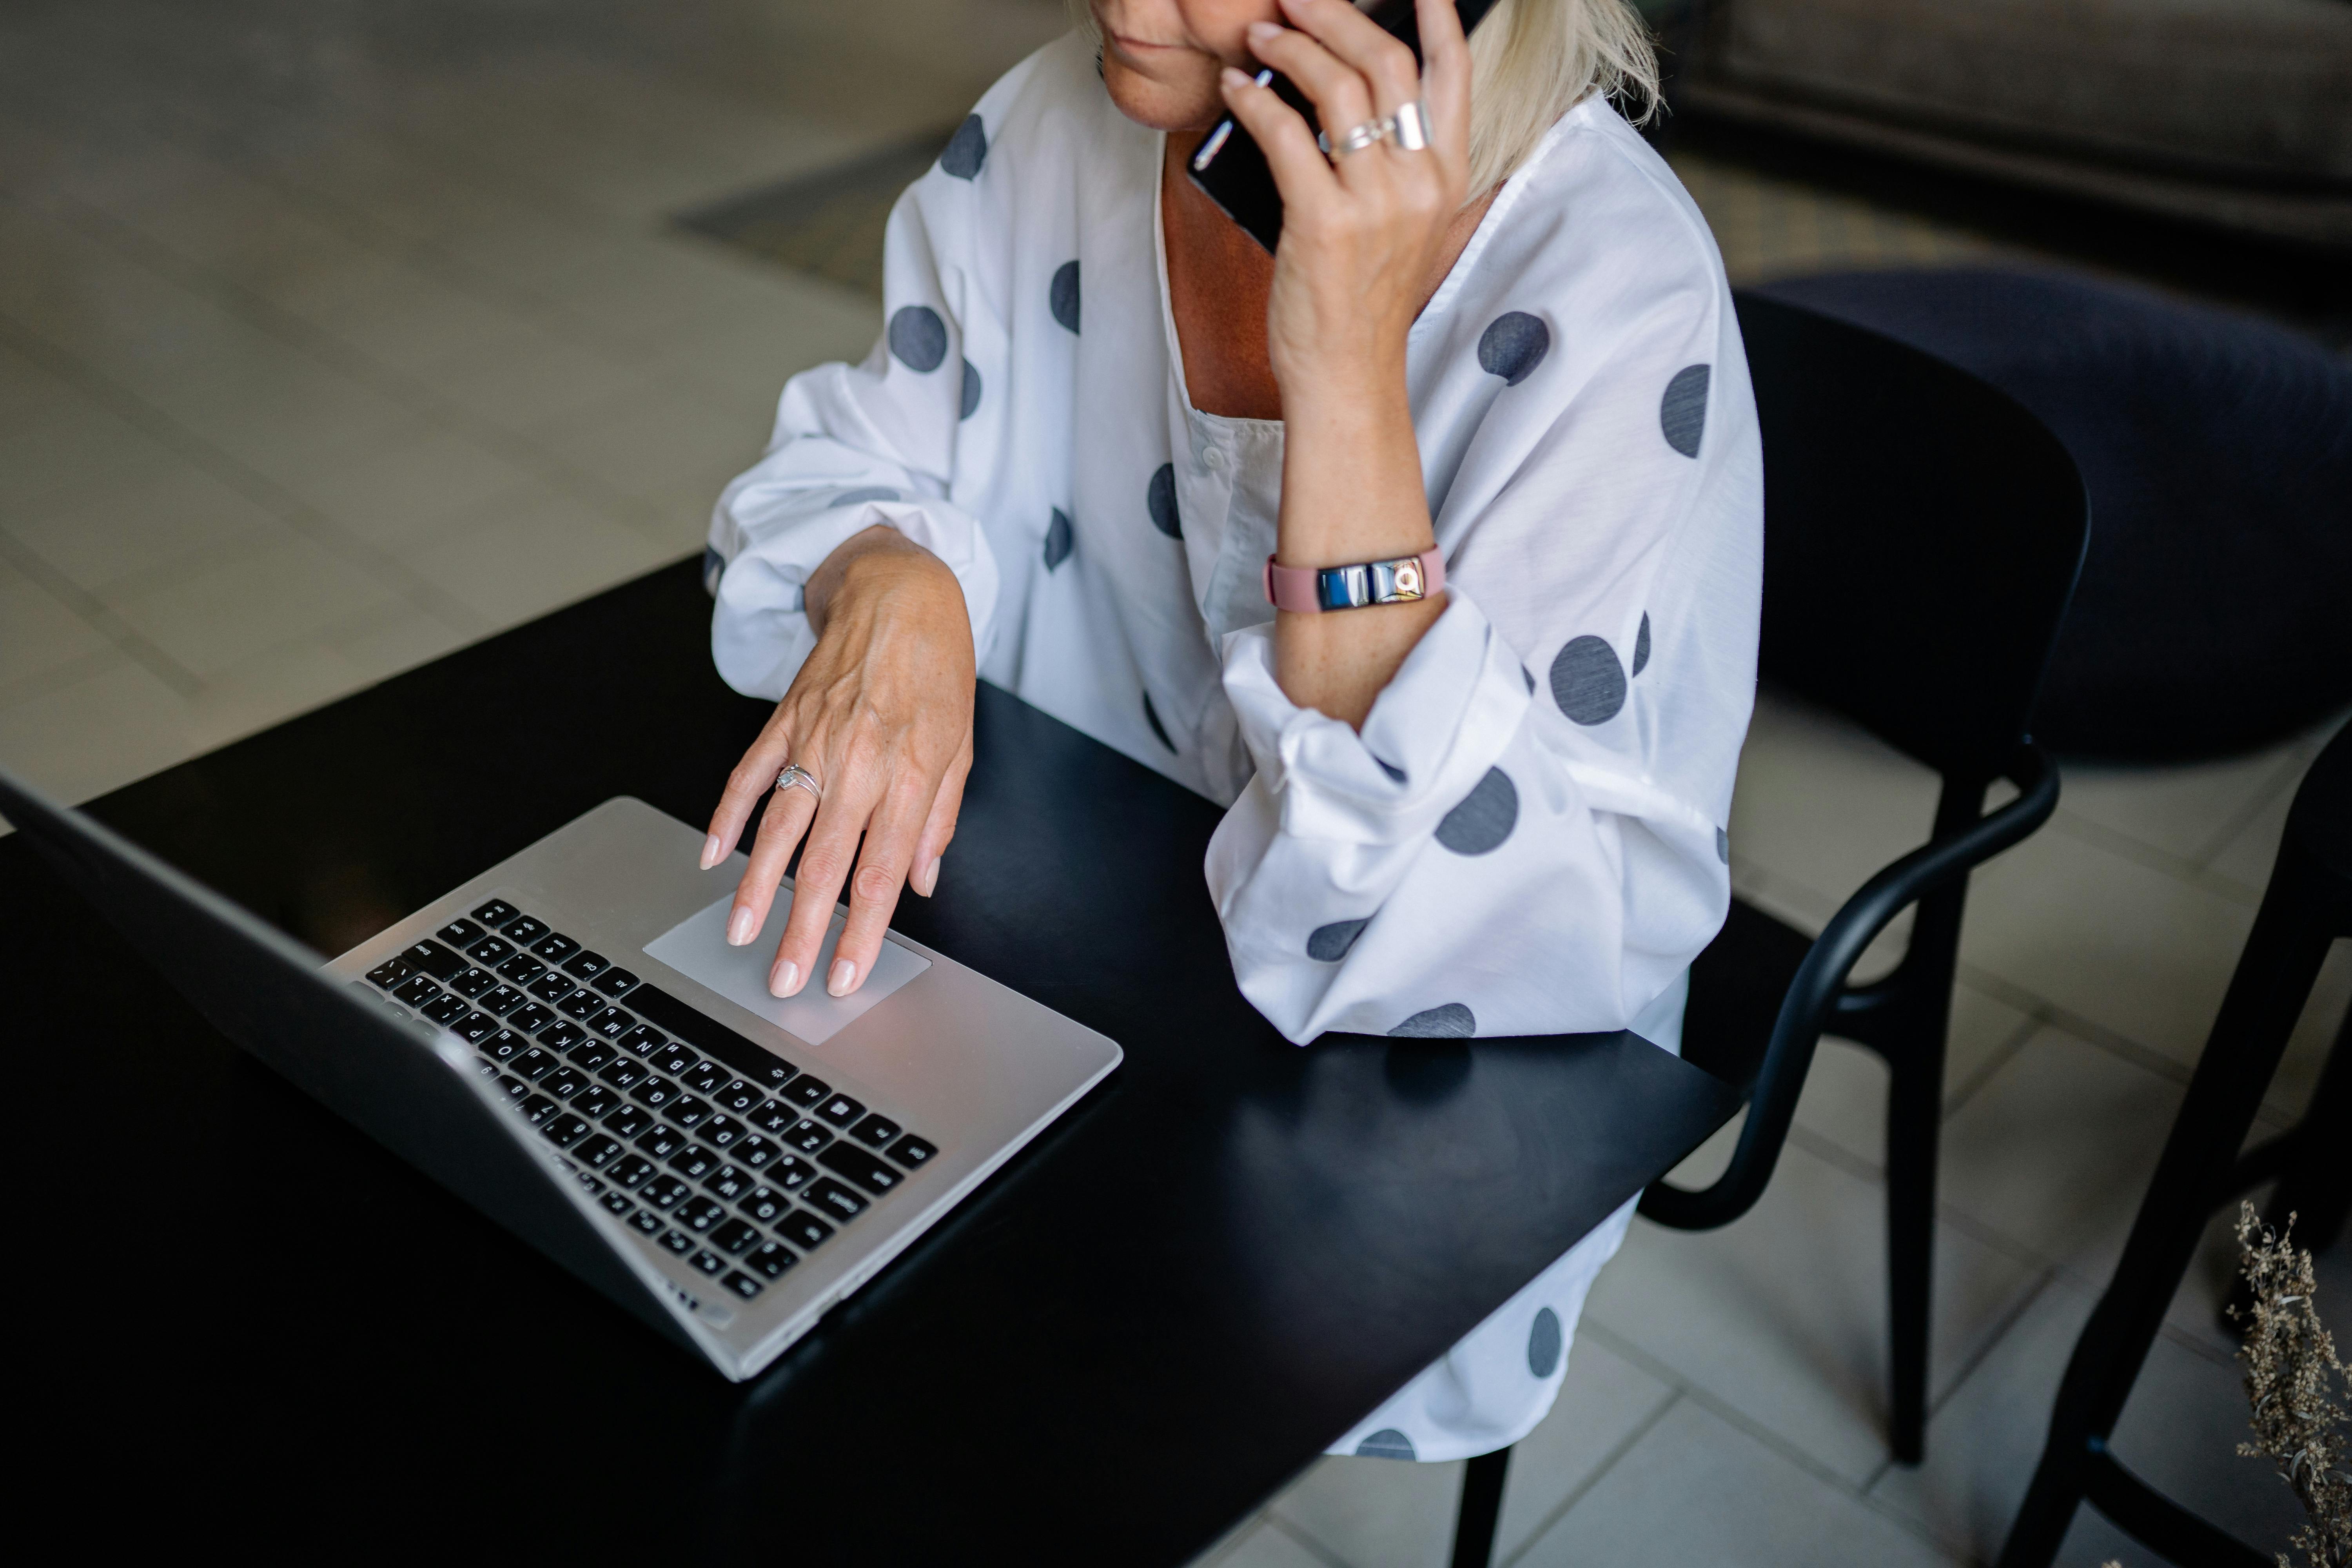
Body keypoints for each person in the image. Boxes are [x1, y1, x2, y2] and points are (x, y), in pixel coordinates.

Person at [697, 0, 1760, 1464]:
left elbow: (1444, 931)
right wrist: (894, 573)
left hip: (1391, 1116)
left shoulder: (1614, 296)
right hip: (1037, 984)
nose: (1124, 9)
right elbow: (854, 456)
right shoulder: (1054, 124)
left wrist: (1344, 365)